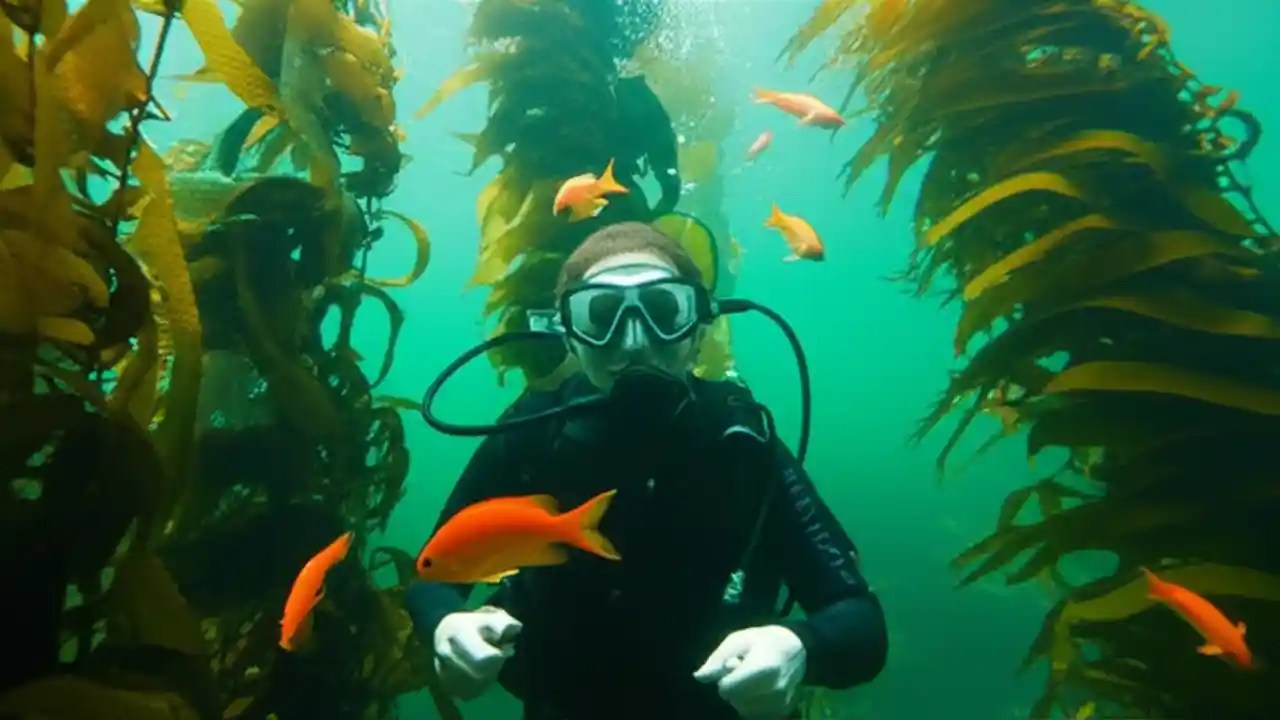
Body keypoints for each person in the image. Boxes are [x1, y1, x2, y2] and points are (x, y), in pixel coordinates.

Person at [406, 221, 888, 720]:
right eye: (601, 316)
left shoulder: (741, 444)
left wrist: (799, 646)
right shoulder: (532, 434)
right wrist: (447, 627)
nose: (634, 342)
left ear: (700, 328)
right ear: (569, 337)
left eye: (663, 311)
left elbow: (861, 623)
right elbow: (433, 577)